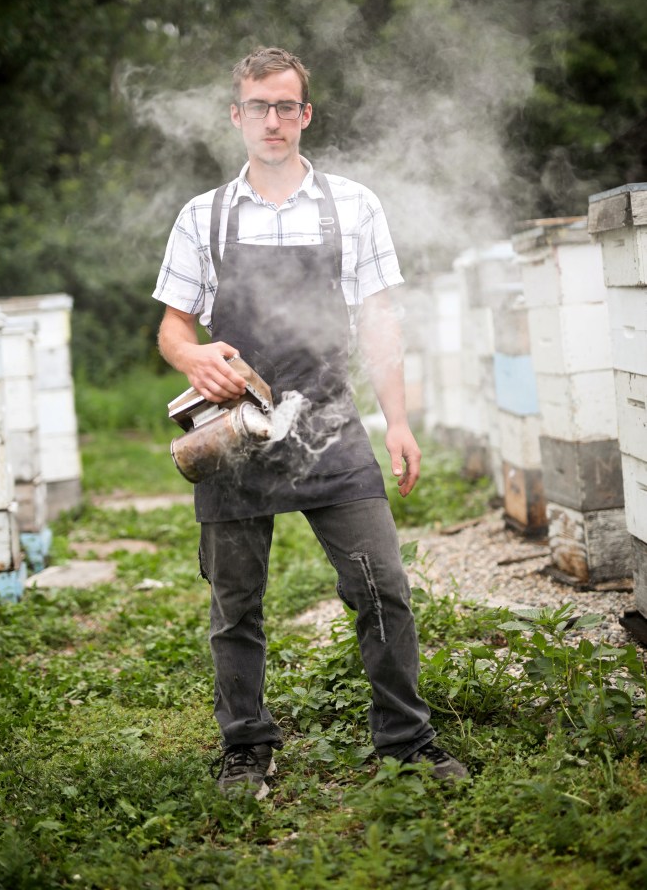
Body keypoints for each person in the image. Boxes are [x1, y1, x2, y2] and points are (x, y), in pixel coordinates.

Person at [153, 46, 468, 797]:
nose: (272, 120)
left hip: (329, 422)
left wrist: (397, 421)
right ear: (237, 116)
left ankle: (404, 737)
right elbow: (171, 328)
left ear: (305, 114)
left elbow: (379, 319)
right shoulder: (204, 216)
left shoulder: (353, 205)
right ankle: (245, 747)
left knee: (381, 584)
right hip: (233, 432)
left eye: (285, 106)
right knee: (235, 605)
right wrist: (193, 357)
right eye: (258, 106)